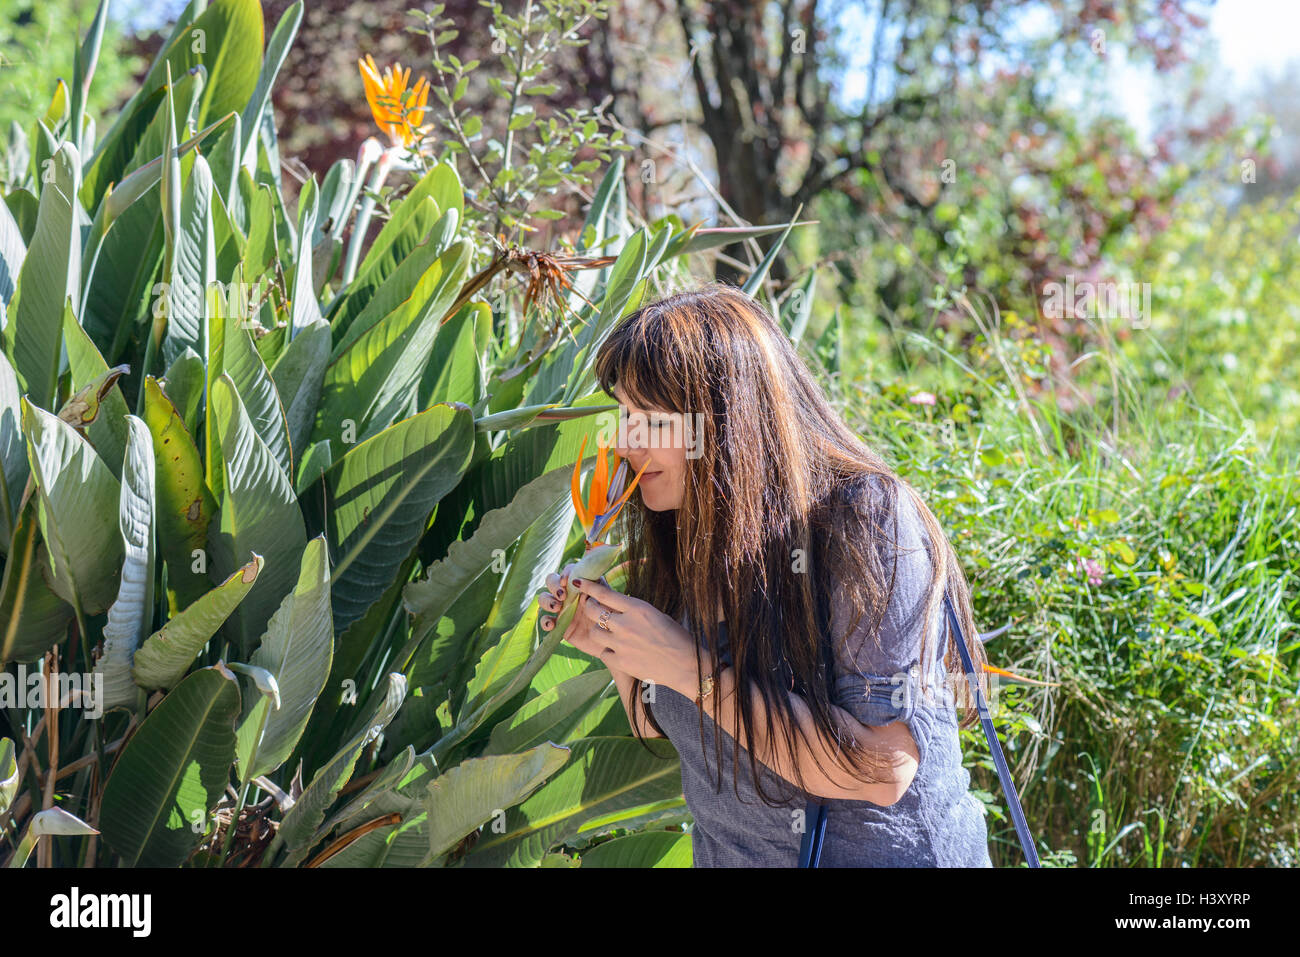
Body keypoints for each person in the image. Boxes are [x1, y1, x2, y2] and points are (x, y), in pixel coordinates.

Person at [538, 282, 993, 867]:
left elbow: (885, 769)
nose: (625, 441)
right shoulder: (680, 529)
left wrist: (687, 665)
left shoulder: (866, 520)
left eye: (651, 420)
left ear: (727, 423)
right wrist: (611, 641)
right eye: (625, 413)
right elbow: (654, 721)